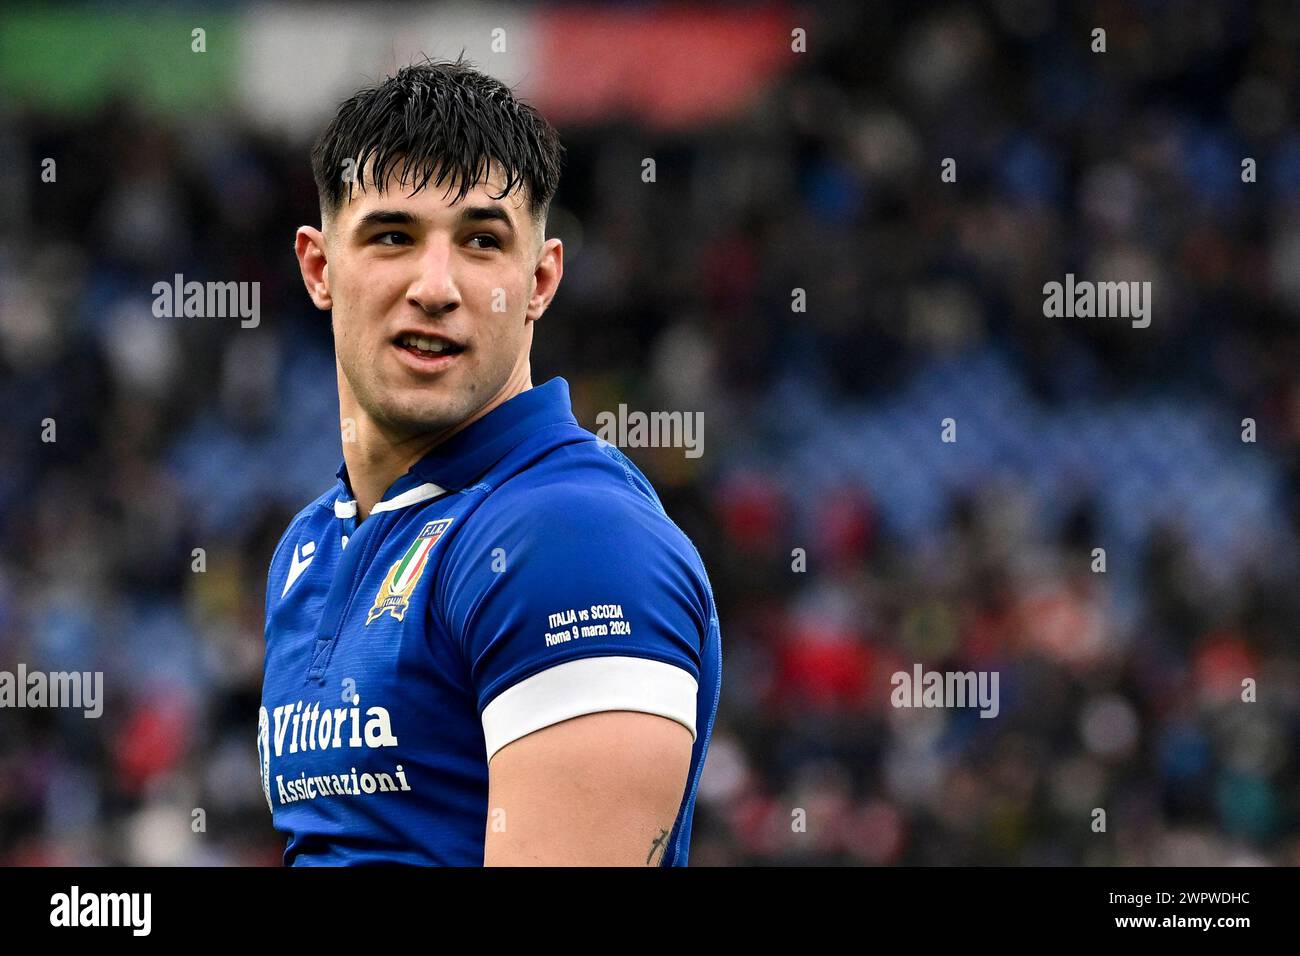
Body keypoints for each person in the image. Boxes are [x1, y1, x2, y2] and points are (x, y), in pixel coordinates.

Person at [258, 56, 722, 866]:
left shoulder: (574, 541)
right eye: (393, 236)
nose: (435, 286)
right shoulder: (308, 547)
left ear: (538, 280)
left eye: (480, 241)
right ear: (319, 269)